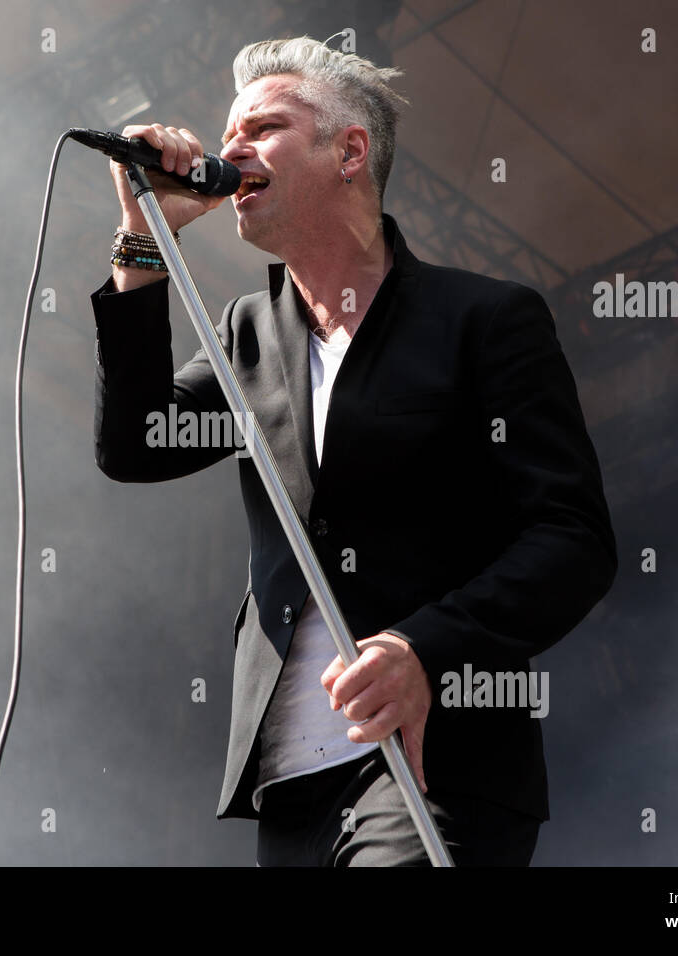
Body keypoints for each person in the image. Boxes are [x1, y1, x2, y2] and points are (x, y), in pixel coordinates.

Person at [88, 36, 617, 866]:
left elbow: (573, 539)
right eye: (227, 133)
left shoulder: (483, 321)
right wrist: (142, 233)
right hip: (291, 784)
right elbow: (136, 445)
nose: (229, 149)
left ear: (349, 150)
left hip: (434, 762)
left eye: (263, 127)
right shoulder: (248, 334)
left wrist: (422, 648)